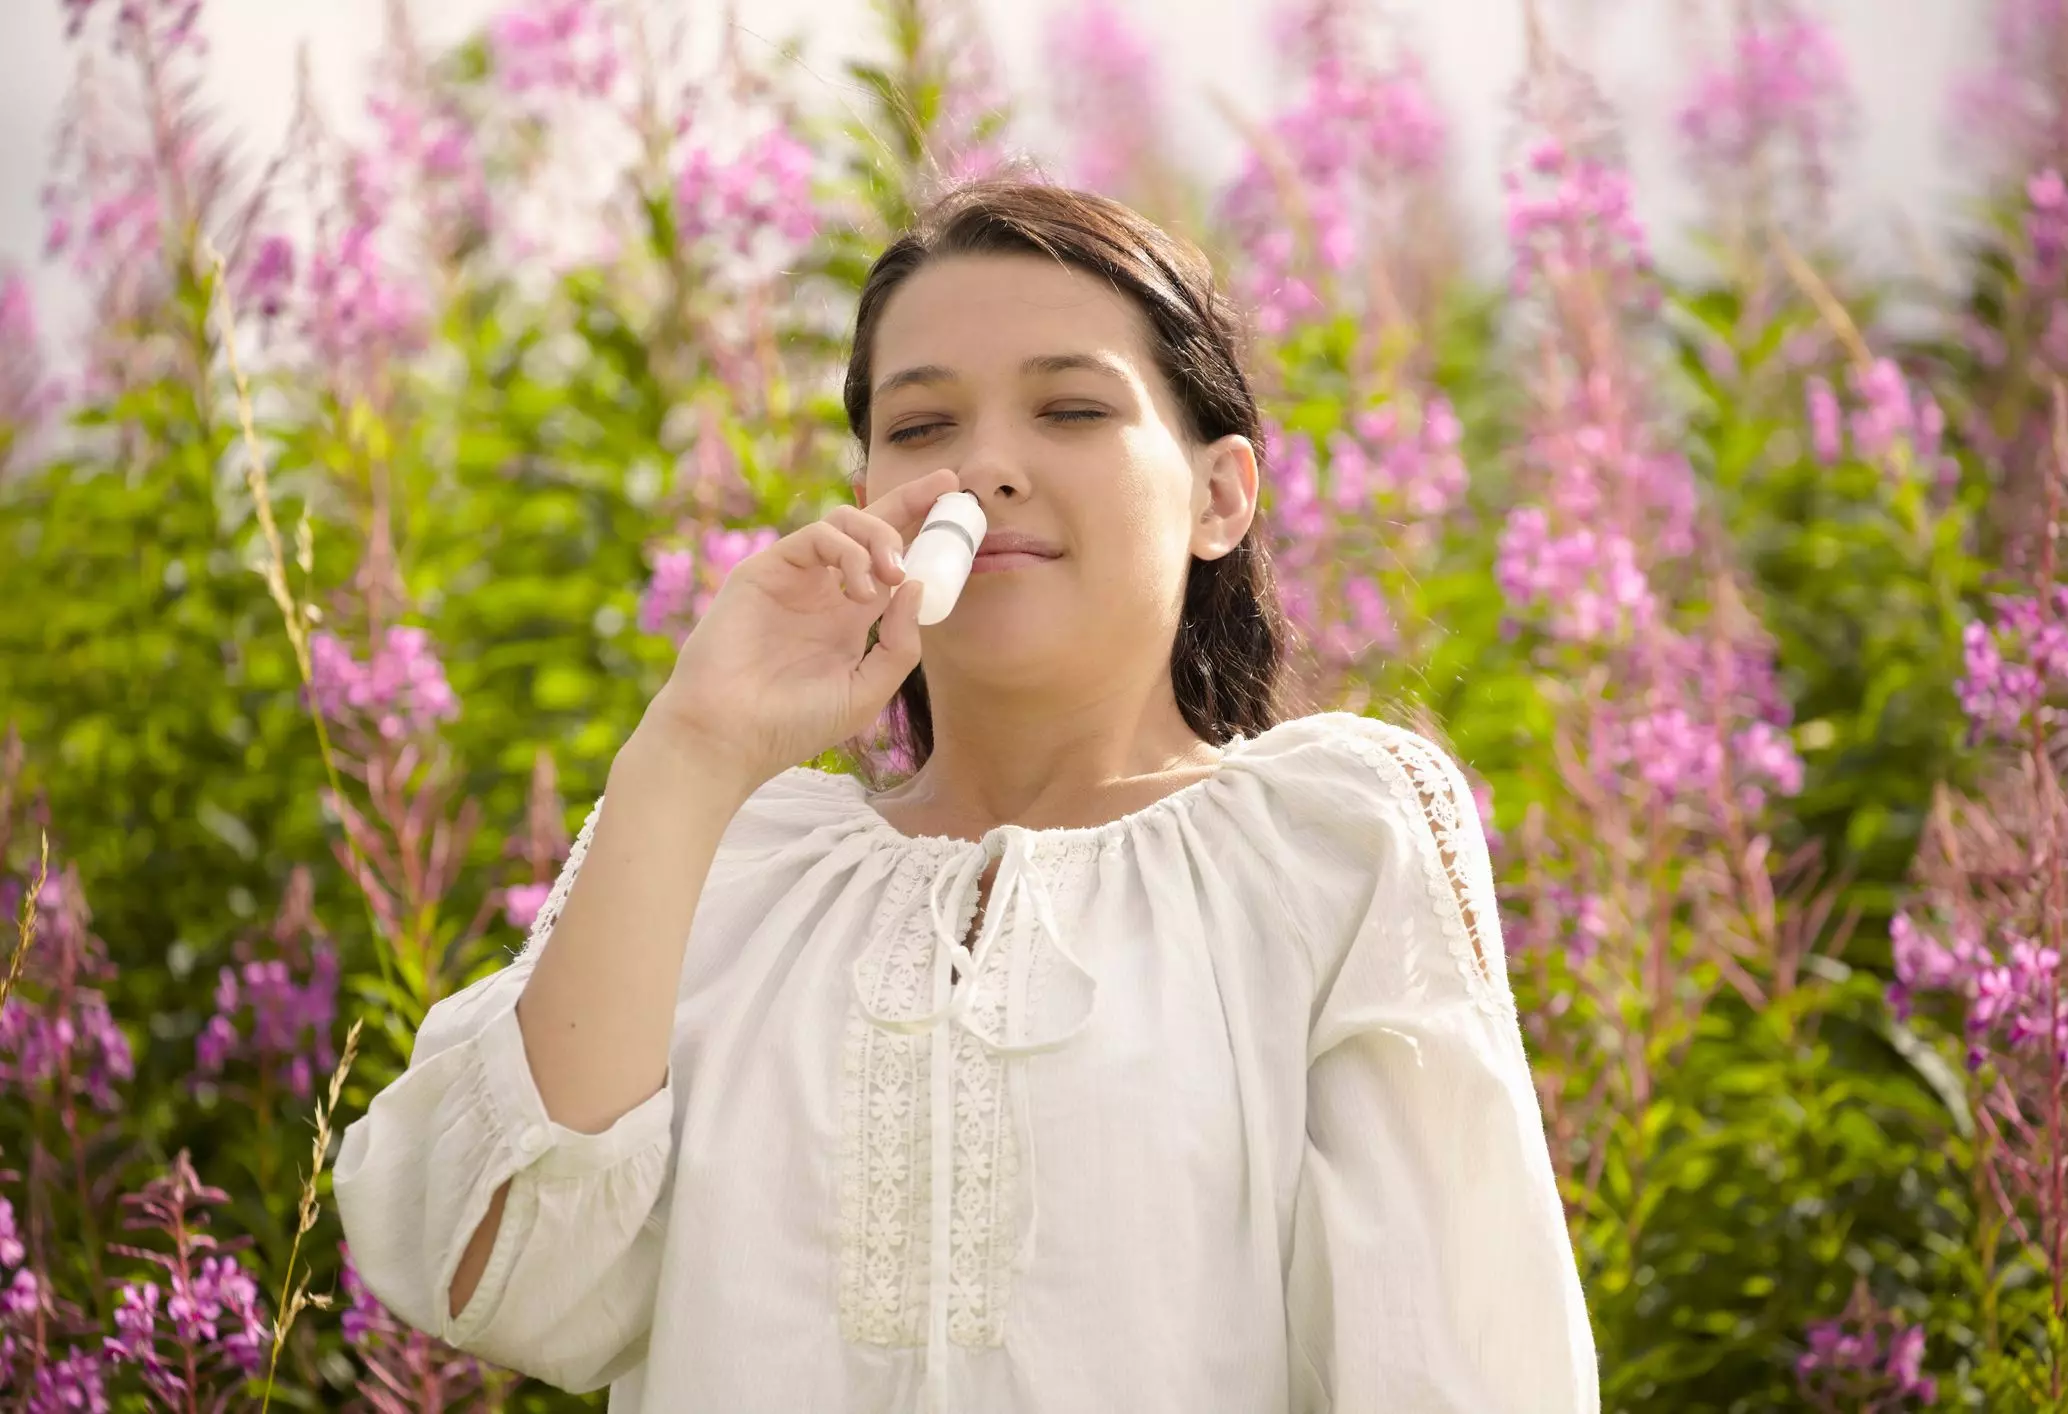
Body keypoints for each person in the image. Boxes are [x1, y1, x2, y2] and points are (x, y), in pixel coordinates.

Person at [333, 179, 1599, 1413]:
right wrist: (693, 745)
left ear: (1221, 495)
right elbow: (494, 1274)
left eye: (1071, 409)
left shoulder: (1330, 843)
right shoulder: (731, 860)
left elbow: (1458, 1361)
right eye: (923, 427)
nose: (987, 466)